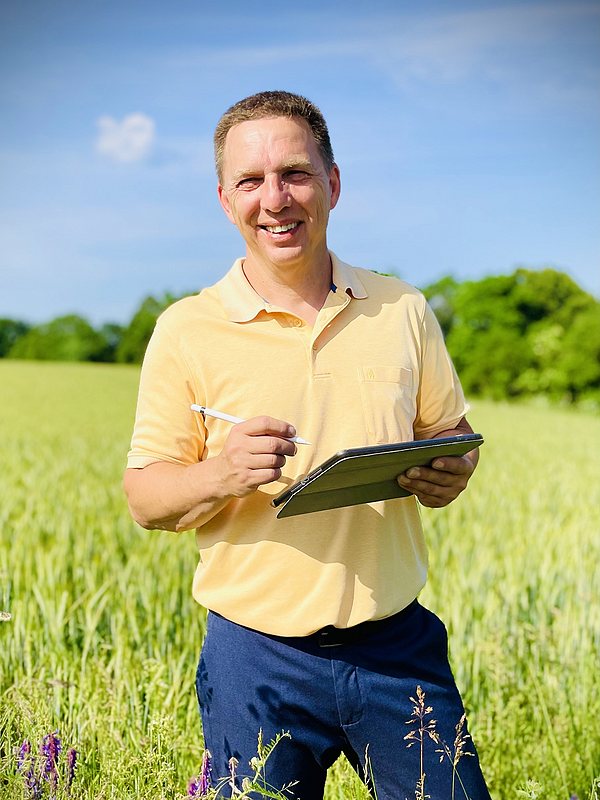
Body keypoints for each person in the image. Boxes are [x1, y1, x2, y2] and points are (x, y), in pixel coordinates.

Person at [124, 90, 491, 800]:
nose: (276, 199)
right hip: (254, 658)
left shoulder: (402, 309)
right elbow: (144, 496)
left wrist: (456, 467)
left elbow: (451, 432)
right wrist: (222, 473)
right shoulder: (186, 329)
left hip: (397, 647)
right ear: (225, 200)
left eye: (295, 173)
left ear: (334, 184)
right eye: (251, 182)